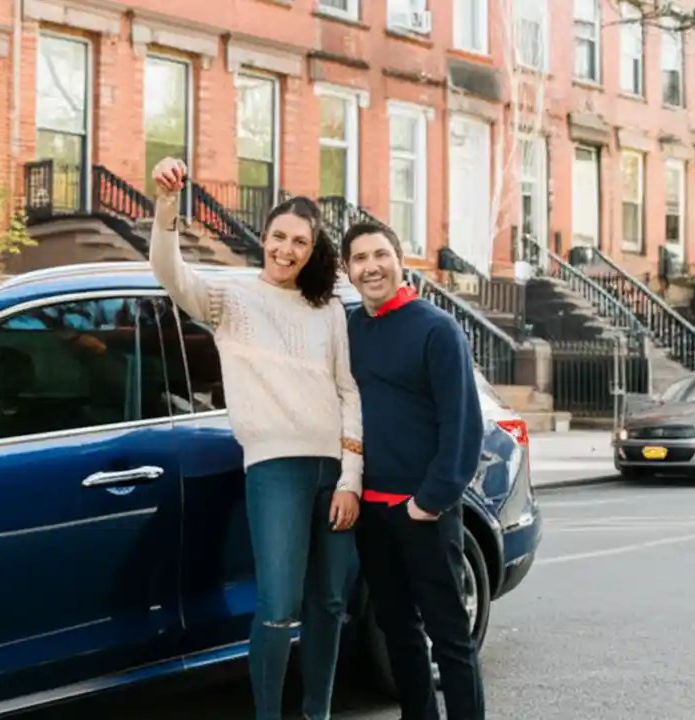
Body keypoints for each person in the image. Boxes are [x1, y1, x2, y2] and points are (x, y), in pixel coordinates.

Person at [148, 157, 363, 720]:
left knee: (330, 603)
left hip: (334, 475)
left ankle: (316, 713)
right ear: (262, 238)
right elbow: (169, 273)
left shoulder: (330, 310)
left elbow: (350, 394)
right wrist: (168, 206)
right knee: (277, 606)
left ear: (313, 250)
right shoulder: (232, 301)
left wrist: (351, 478)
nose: (286, 249)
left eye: (299, 242)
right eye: (278, 237)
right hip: (276, 471)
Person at [340, 220, 486, 720]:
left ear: (400, 261)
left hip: (422, 510)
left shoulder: (436, 329)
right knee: (398, 633)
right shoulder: (351, 329)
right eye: (359, 259)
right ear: (348, 270)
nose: (371, 266)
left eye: (380, 254)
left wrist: (430, 501)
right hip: (371, 513)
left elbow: (462, 423)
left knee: (450, 638)